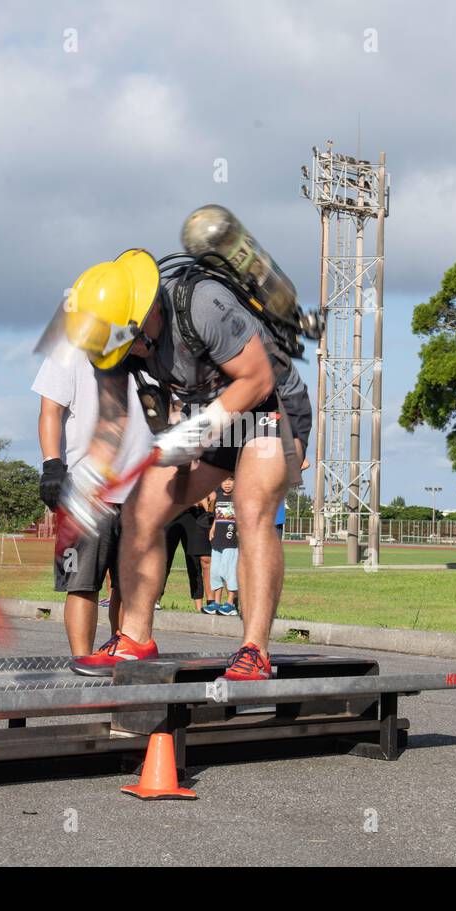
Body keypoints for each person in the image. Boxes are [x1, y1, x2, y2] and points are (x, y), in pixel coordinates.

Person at [53, 245, 313, 681]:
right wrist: (86, 485)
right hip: (214, 417)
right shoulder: (112, 342)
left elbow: (258, 378)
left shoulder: (203, 304)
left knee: (251, 510)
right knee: (141, 509)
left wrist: (193, 433)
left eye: (128, 345)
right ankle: (135, 639)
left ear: (147, 314)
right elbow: (112, 424)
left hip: (272, 408)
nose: (123, 357)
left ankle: (254, 650)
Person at [33, 351, 151, 655]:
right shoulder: (70, 346)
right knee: (82, 584)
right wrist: (51, 465)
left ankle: (124, 657)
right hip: (87, 491)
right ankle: (82, 663)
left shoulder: (150, 346)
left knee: (130, 589)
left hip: (142, 489)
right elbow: (50, 409)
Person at [208, 476, 239, 615]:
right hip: (218, 539)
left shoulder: (238, 497)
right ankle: (216, 602)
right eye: (224, 480)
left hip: (231, 541)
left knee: (228, 571)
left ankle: (230, 603)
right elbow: (217, 516)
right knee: (215, 571)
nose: (227, 483)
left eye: (230, 480)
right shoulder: (219, 496)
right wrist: (213, 529)